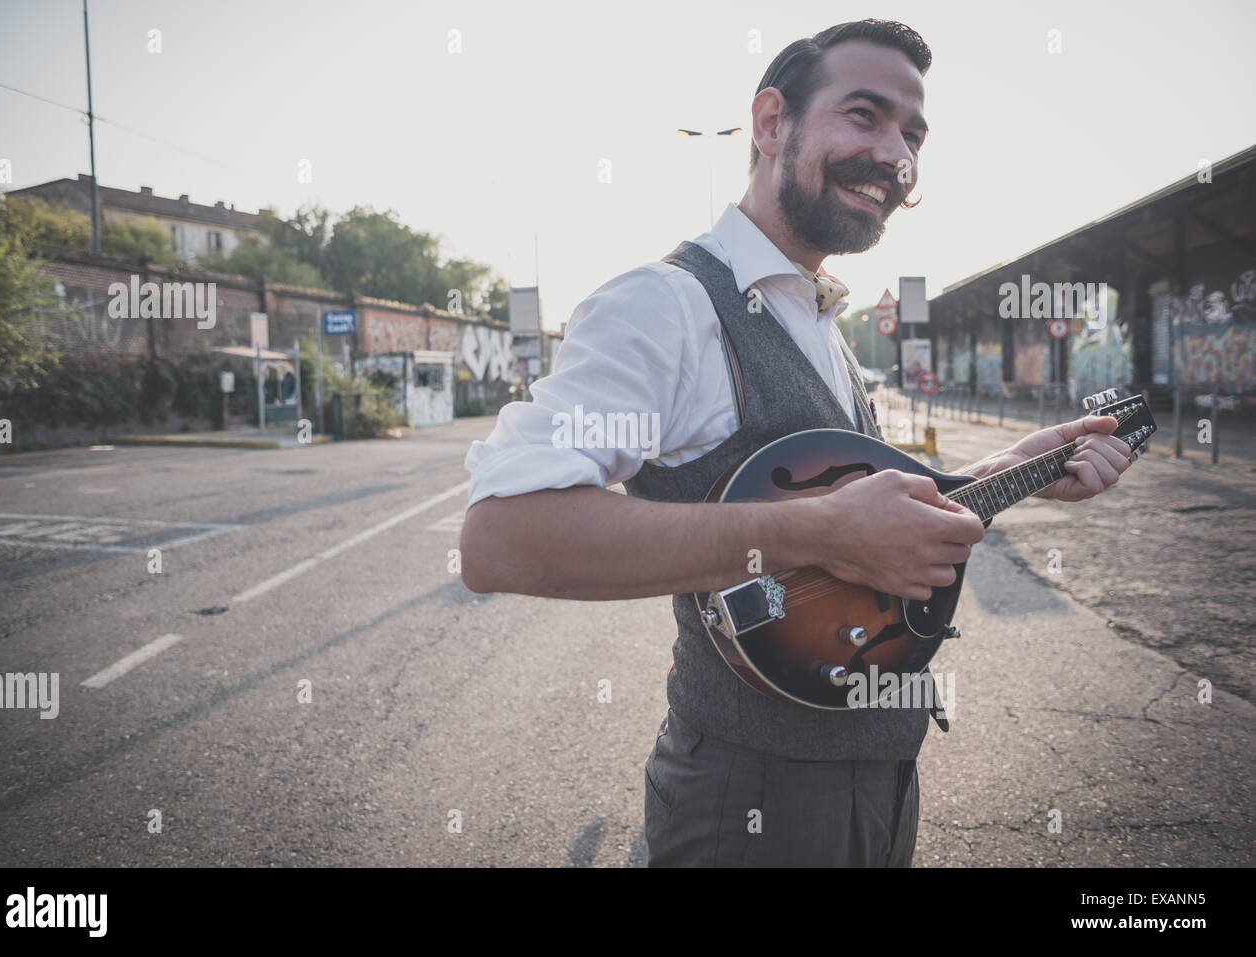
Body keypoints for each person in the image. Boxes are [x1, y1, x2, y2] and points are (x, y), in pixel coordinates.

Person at [459, 19, 1132, 866]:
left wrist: (1019, 467)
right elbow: (500, 537)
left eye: (912, 135)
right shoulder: (666, 305)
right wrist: (818, 529)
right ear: (771, 124)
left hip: (879, 786)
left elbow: (873, 523)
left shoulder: (814, 317)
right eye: (864, 115)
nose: (896, 155)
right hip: (752, 803)